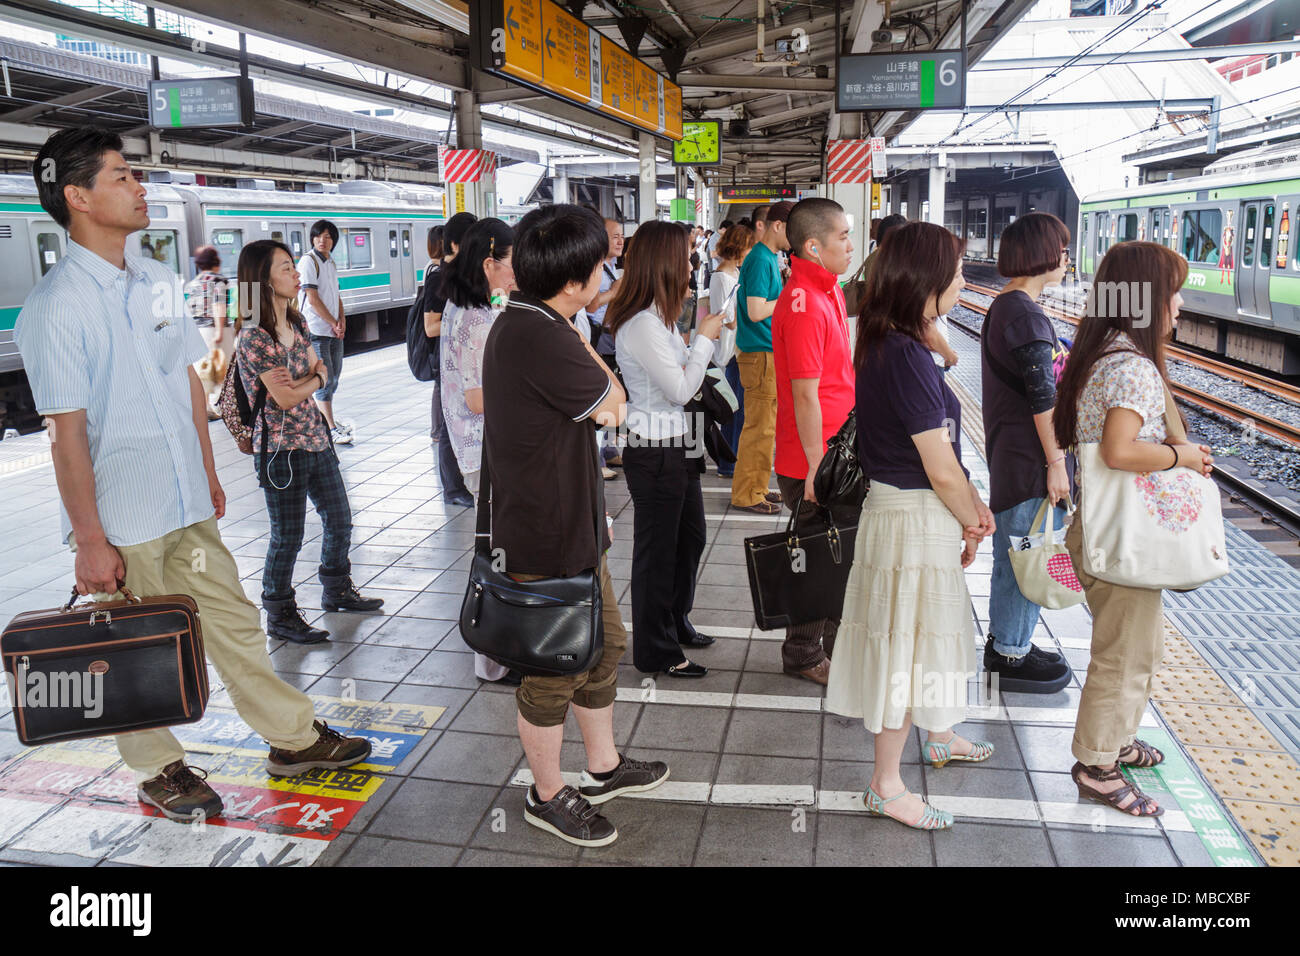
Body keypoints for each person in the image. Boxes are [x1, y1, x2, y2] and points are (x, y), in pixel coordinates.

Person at [15, 126, 371, 823]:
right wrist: (90, 539)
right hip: (121, 519)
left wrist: (208, 473)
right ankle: (160, 768)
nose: (140, 186)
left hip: (185, 507)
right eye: (123, 176)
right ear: (78, 196)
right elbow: (66, 433)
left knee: (234, 622)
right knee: (132, 649)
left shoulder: (151, 280)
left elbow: (186, 383)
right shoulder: (56, 306)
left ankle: (293, 740)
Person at [482, 204, 669, 848]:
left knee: (604, 646)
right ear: (572, 281)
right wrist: (587, 341)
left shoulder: (538, 321)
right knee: (556, 664)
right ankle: (546, 792)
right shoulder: (540, 332)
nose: (607, 271)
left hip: (573, 523)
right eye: (600, 264)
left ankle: (604, 766)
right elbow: (614, 408)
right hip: (543, 532)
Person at [826, 221, 996, 831]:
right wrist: (975, 514)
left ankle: (939, 736)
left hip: (904, 513)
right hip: (912, 518)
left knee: (918, 638)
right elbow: (942, 468)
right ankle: (885, 784)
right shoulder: (904, 356)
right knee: (906, 647)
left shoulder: (891, 341)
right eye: (955, 270)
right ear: (926, 281)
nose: (962, 279)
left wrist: (968, 511)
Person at [1054, 240, 1213, 817]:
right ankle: (1096, 765)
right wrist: (1183, 459)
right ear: (1148, 299)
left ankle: (1115, 740)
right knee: (1124, 656)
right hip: (1123, 537)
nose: (1180, 306)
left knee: (1137, 648)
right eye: (1173, 292)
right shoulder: (1133, 366)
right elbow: (1120, 451)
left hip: (1103, 528)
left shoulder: (1104, 353)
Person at [235, 240, 384, 644]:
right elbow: (284, 398)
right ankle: (279, 613)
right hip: (281, 451)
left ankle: (336, 590)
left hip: (316, 440)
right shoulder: (254, 336)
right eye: (286, 268)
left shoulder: (298, 323)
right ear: (262, 280)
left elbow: (294, 389)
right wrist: (316, 379)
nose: (296, 274)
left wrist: (305, 383)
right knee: (288, 536)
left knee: (340, 519)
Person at [608, 221, 724, 678]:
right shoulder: (641, 324)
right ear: (663, 263)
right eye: (685, 256)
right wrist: (705, 339)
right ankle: (657, 649)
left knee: (689, 538)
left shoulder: (660, 316)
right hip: (653, 445)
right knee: (657, 551)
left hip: (677, 441)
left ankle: (676, 619)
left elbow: (682, 372)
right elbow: (679, 387)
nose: (691, 264)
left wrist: (697, 341)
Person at [980, 212, 1075, 693]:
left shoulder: (1010, 305)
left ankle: (1007, 642)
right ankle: (1011, 655)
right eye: (1061, 248)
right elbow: (1043, 398)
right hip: (1029, 458)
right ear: (1042, 252)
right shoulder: (1023, 312)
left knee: (1015, 552)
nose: (1066, 257)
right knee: (1028, 552)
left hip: (1014, 453)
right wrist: (1056, 464)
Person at [772, 199, 858, 686]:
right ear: (813, 246)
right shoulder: (804, 302)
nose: (850, 244)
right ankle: (803, 653)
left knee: (835, 553)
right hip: (816, 458)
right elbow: (805, 396)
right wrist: (814, 468)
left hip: (833, 450)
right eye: (843, 236)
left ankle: (826, 648)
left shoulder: (829, 290)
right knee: (820, 557)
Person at [439, 217, 520, 685]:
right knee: (497, 553)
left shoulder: (473, 303)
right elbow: (476, 397)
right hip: (483, 449)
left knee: (498, 549)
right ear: (489, 263)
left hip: (484, 447)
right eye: (512, 263)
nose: (518, 272)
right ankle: (491, 660)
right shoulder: (473, 320)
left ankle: (498, 652)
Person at [730, 200, 792, 514]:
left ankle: (757, 486)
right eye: (792, 230)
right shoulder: (760, 259)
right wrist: (787, 298)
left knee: (766, 428)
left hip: (765, 353)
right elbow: (756, 311)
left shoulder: (768, 257)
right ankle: (746, 494)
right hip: (759, 354)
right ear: (777, 226)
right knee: (759, 428)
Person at [424, 211, 477, 507]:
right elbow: (430, 327)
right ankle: (453, 489)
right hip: (445, 361)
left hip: (466, 360)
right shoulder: (438, 279)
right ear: (454, 245)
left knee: (463, 420)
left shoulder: (466, 275)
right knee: (448, 424)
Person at [297, 219, 351, 445]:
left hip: (331, 328)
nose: (323, 240)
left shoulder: (330, 262)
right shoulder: (308, 261)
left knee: (335, 375)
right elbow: (313, 298)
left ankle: (326, 419)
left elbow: (335, 295)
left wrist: (342, 320)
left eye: (328, 237)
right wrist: (332, 322)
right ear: (312, 238)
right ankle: (329, 428)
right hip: (316, 329)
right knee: (323, 379)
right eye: (318, 236)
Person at [709, 223, 754, 478]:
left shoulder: (735, 275)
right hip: (729, 352)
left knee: (739, 409)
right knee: (733, 410)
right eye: (748, 246)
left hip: (739, 349)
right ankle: (727, 463)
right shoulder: (721, 278)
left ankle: (730, 460)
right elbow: (728, 319)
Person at [585, 218, 625, 473]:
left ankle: (609, 451)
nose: (621, 241)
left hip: (611, 335)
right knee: (600, 394)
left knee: (614, 391)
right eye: (615, 236)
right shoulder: (595, 269)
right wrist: (614, 291)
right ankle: (598, 459)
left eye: (622, 236)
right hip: (597, 336)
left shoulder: (611, 267)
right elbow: (591, 304)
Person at [183, 244, 229, 416]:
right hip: (214, 329)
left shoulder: (191, 284)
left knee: (204, 371)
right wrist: (219, 332)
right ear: (216, 262)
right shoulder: (218, 280)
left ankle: (206, 408)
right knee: (221, 370)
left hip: (197, 331)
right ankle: (221, 406)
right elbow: (219, 306)